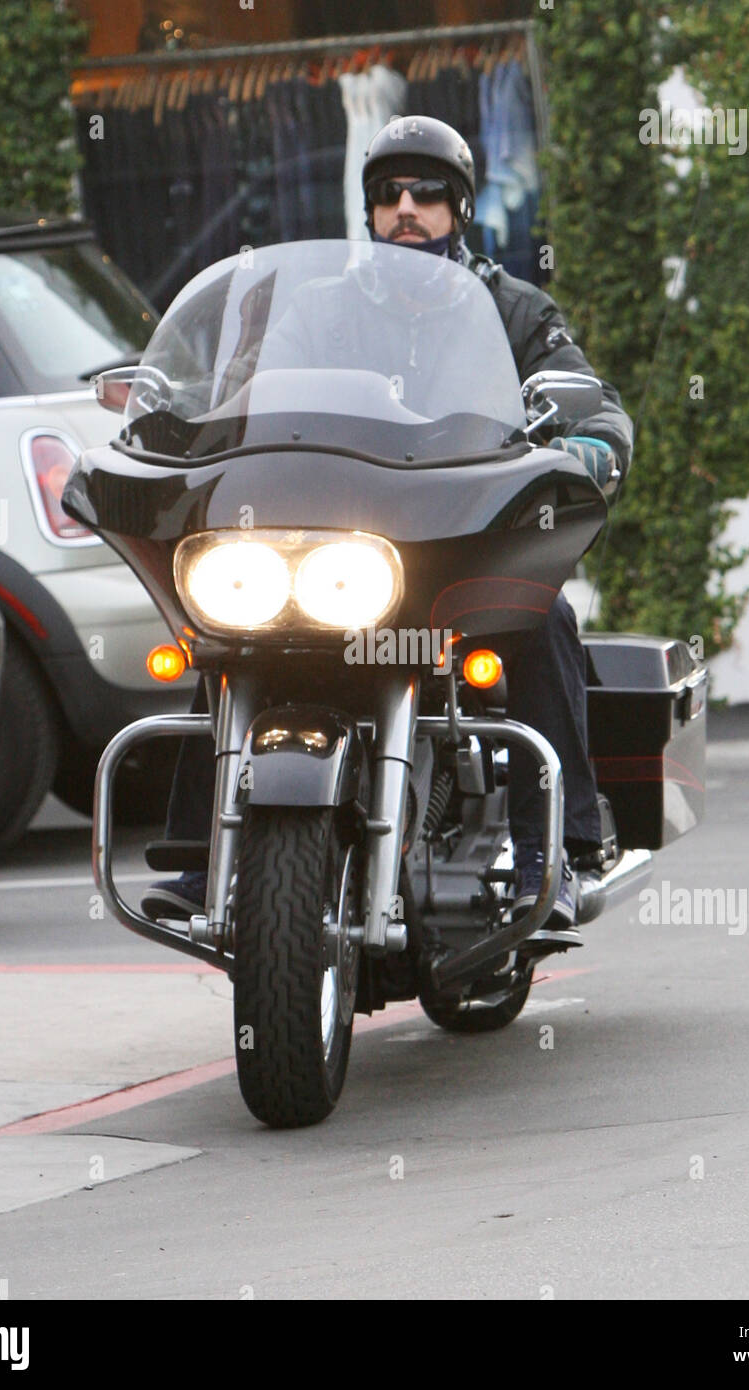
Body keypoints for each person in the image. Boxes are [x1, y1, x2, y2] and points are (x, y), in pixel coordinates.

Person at [142, 115, 634, 949]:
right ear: (368, 209)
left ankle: (565, 845)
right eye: (388, 194)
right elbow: (250, 398)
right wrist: (187, 431)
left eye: (428, 193)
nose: (407, 208)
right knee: (227, 624)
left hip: (450, 553)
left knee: (543, 614)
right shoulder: (319, 307)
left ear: (461, 207)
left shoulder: (511, 309)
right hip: (335, 549)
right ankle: (203, 852)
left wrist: (591, 438)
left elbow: (580, 392)